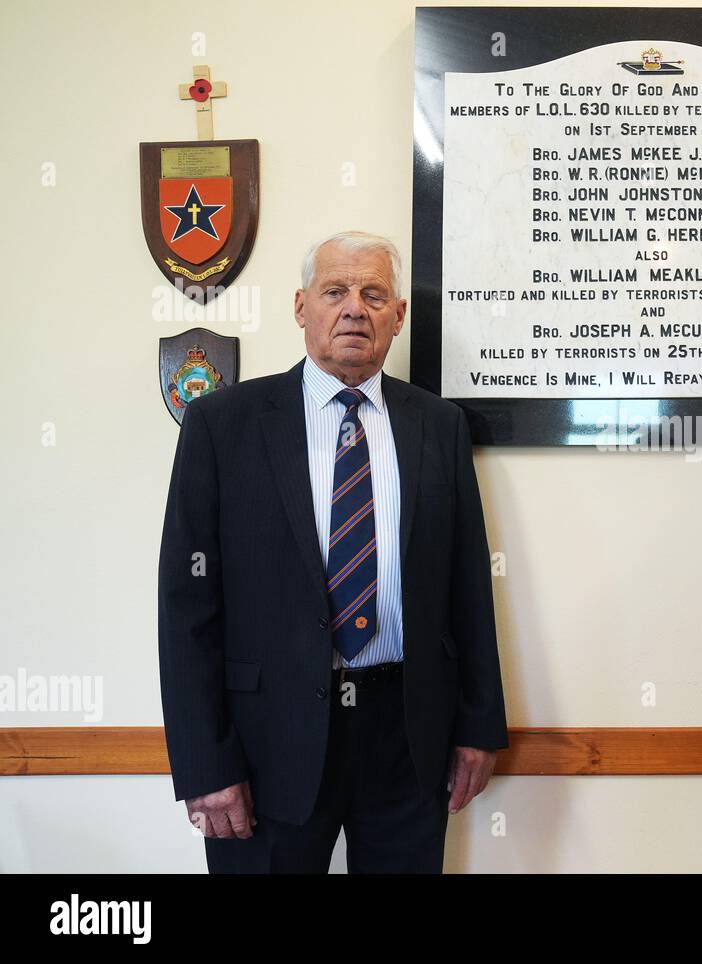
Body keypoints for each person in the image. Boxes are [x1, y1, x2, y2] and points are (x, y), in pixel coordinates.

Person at [158, 231, 507, 873]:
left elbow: (468, 587)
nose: (354, 308)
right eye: (335, 291)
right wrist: (205, 764)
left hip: (407, 736)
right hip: (266, 743)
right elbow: (186, 608)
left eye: (374, 294)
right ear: (300, 308)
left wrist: (479, 726)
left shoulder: (439, 426)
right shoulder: (223, 425)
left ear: (398, 317)